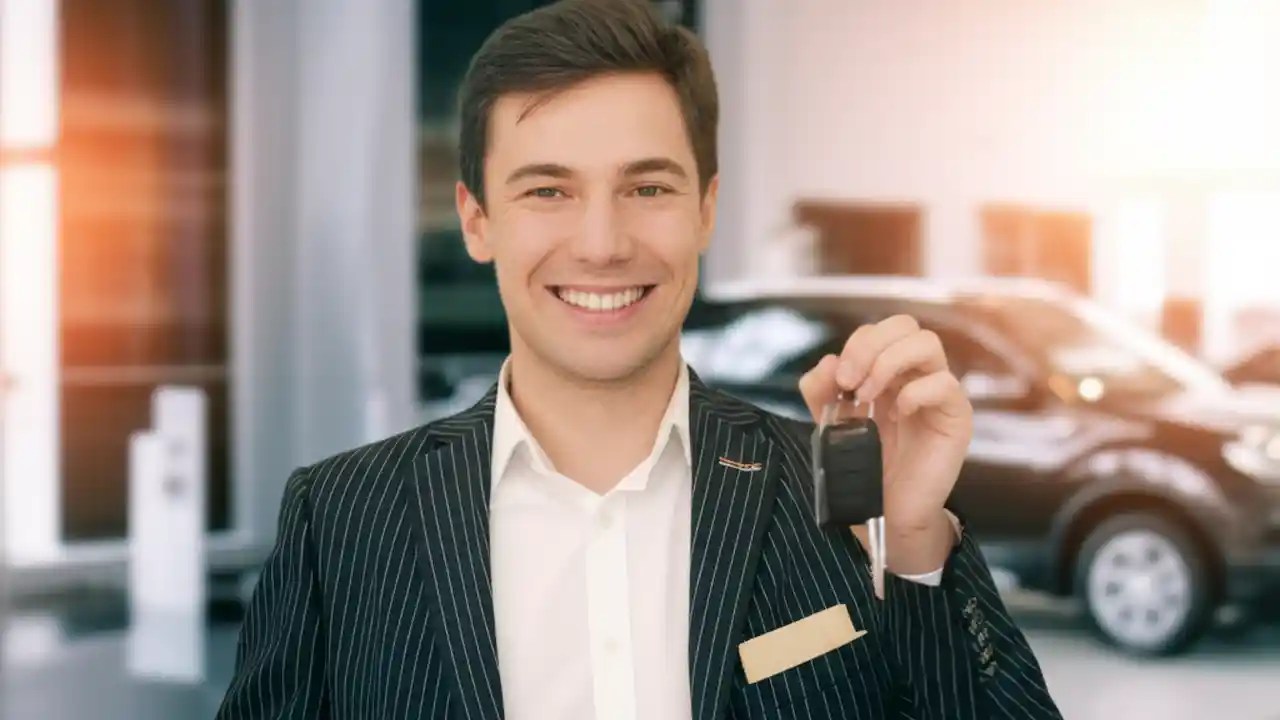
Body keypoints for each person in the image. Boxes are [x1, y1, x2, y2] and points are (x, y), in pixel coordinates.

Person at [217, 1, 1063, 718]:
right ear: (477, 220)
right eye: (547, 190)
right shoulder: (341, 523)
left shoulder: (837, 504)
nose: (602, 243)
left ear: (705, 209)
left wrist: (912, 538)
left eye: (647, 188)